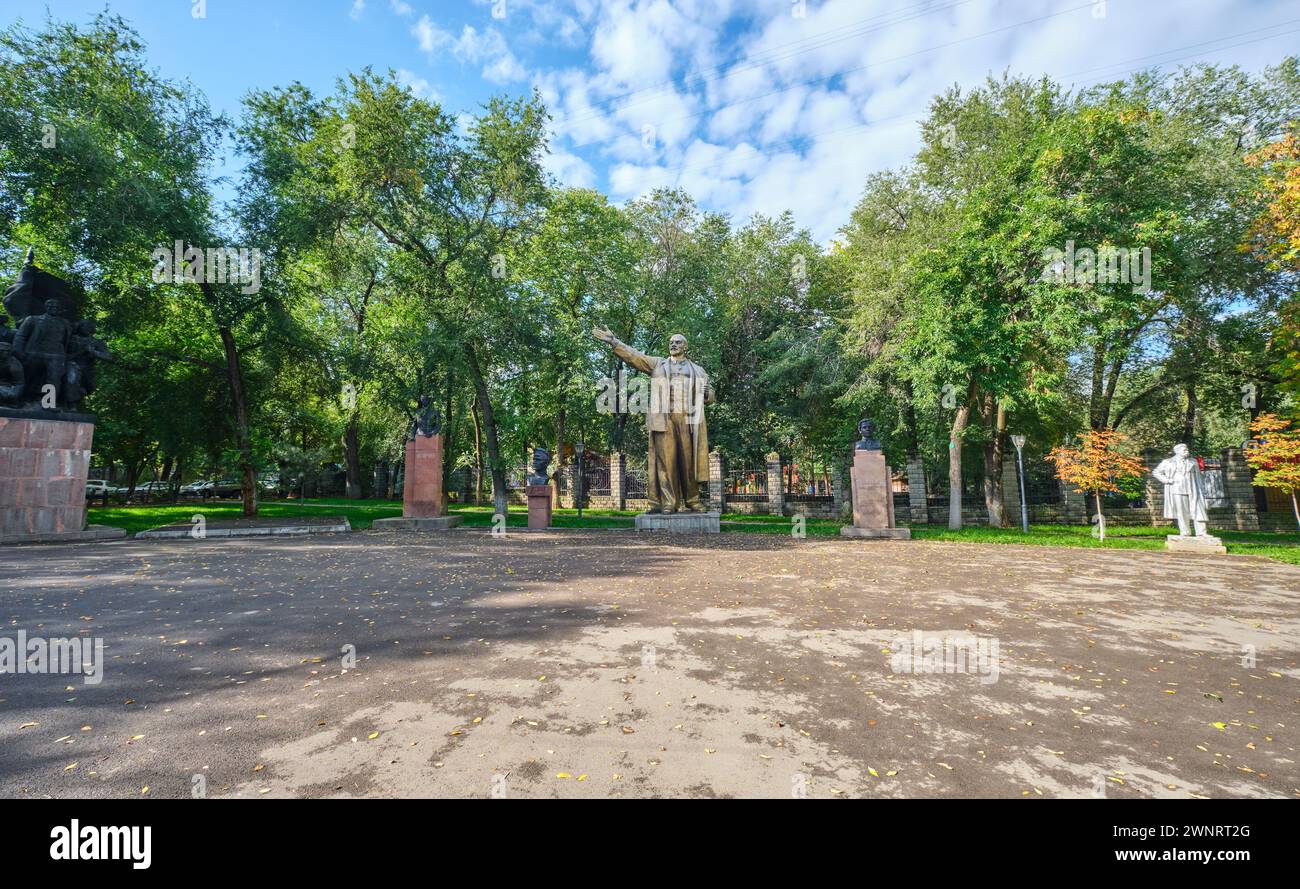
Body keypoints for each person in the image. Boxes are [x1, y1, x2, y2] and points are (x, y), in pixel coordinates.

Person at [592, 325, 715, 513]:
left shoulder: (697, 370)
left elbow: (710, 394)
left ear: (685, 347)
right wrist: (614, 341)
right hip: (664, 421)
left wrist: (708, 394)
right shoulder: (658, 364)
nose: (673, 344)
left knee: (689, 463)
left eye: (678, 342)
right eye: (671, 342)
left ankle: (693, 500)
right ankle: (668, 502)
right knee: (666, 463)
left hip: (689, 420)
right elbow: (635, 356)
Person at [1152, 443, 1209, 537]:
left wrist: (1202, 489)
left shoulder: (1193, 462)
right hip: (1177, 489)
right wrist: (1167, 480)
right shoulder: (1168, 462)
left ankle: (1202, 532)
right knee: (1182, 512)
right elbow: (1156, 472)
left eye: (1187, 449)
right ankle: (1185, 532)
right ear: (1177, 451)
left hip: (1193, 489)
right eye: (1184, 450)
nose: (1187, 451)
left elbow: (1198, 477)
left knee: (1199, 510)